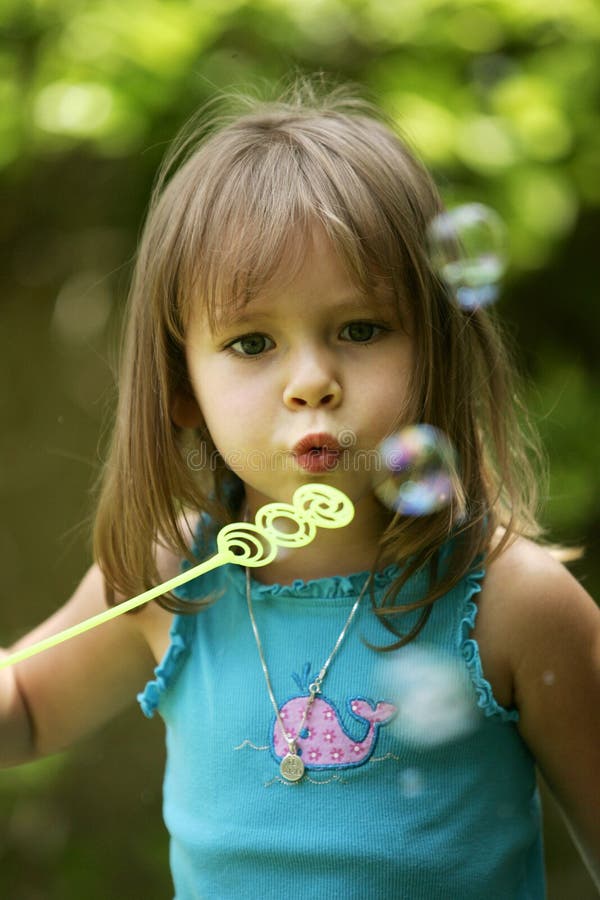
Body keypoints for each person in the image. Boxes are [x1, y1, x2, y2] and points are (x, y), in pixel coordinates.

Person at [1, 79, 599, 899]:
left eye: (360, 329)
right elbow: (26, 706)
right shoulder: (173, 575)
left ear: (438, 348)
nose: (312, 381)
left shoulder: (512, 603)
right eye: (252, 343)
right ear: (181, 388)